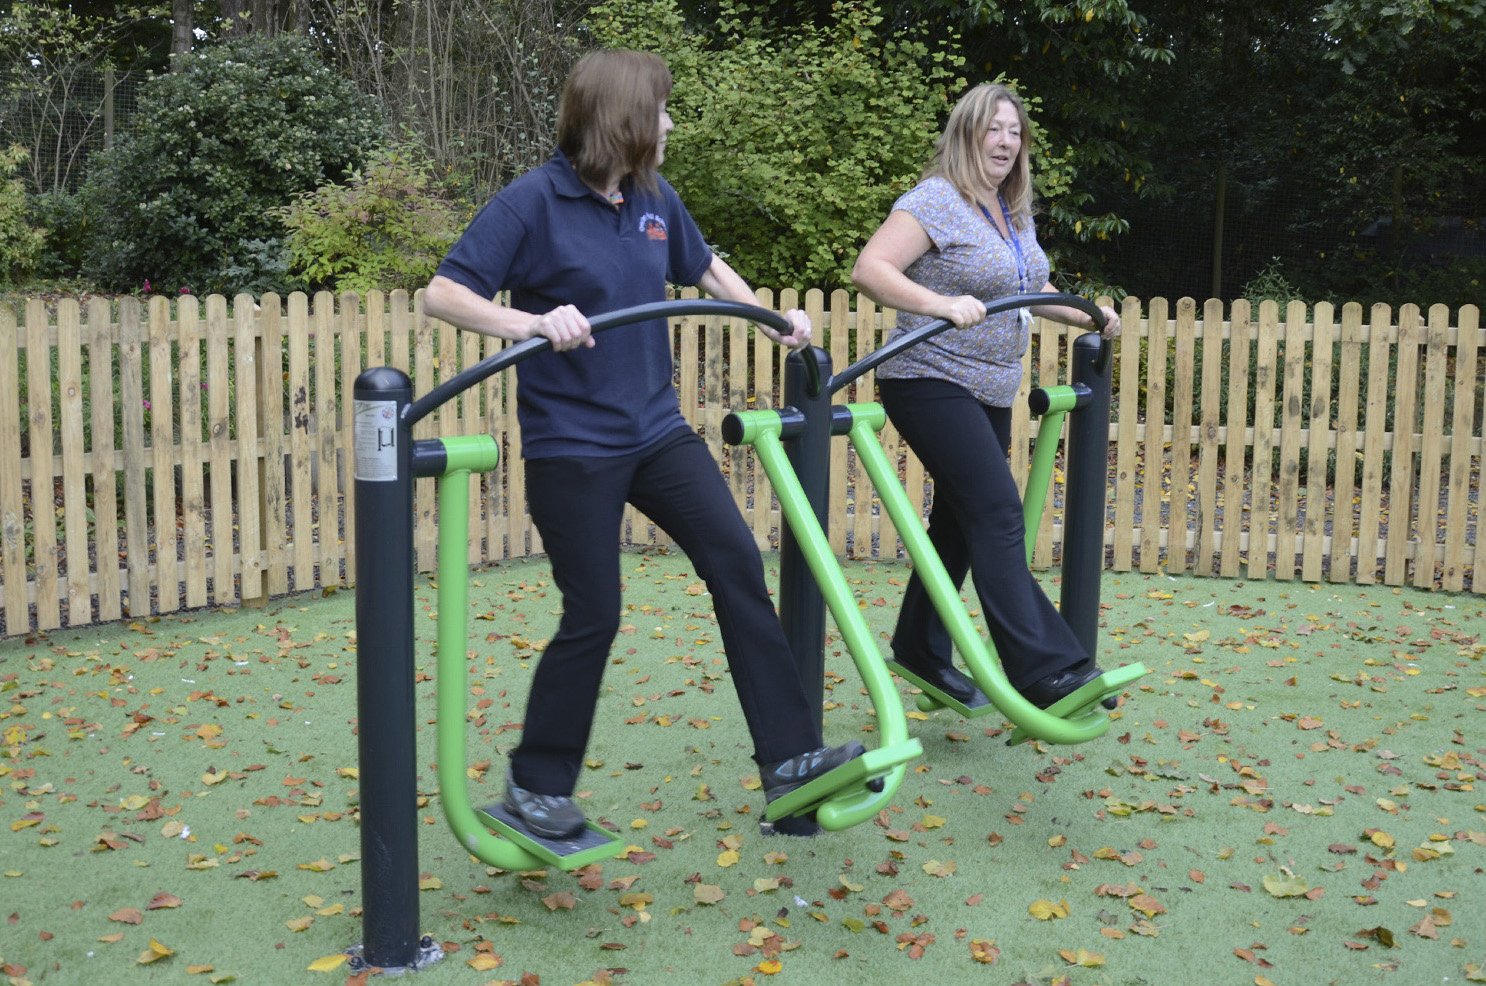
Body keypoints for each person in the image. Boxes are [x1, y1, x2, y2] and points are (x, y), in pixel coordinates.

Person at [424, 49, 861, 841]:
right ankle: (535, 788)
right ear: (623, 120)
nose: (669, 124)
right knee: (596, 610)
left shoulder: (653, 198)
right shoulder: (533, 201)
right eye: (660, 110)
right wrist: (530, 322)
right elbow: (444, 292)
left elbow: (705, 268)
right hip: (572, 445)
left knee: (735, 561)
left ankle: (791, 760)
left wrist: (772, 319)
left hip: (656, 430)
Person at [850, 82, 1121, 712]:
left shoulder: (1010, 208)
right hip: (927, 378)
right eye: (992, 129)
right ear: (966, 135)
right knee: (998, 514)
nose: (1005, 141)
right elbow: (871, 269)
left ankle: (919, 645)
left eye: (1014, 131)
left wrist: (1084, 313)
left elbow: (1031, 284)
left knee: (959, 524)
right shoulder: (936, 201)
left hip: (988, 387)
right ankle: (1046, 671)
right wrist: (939, 304)